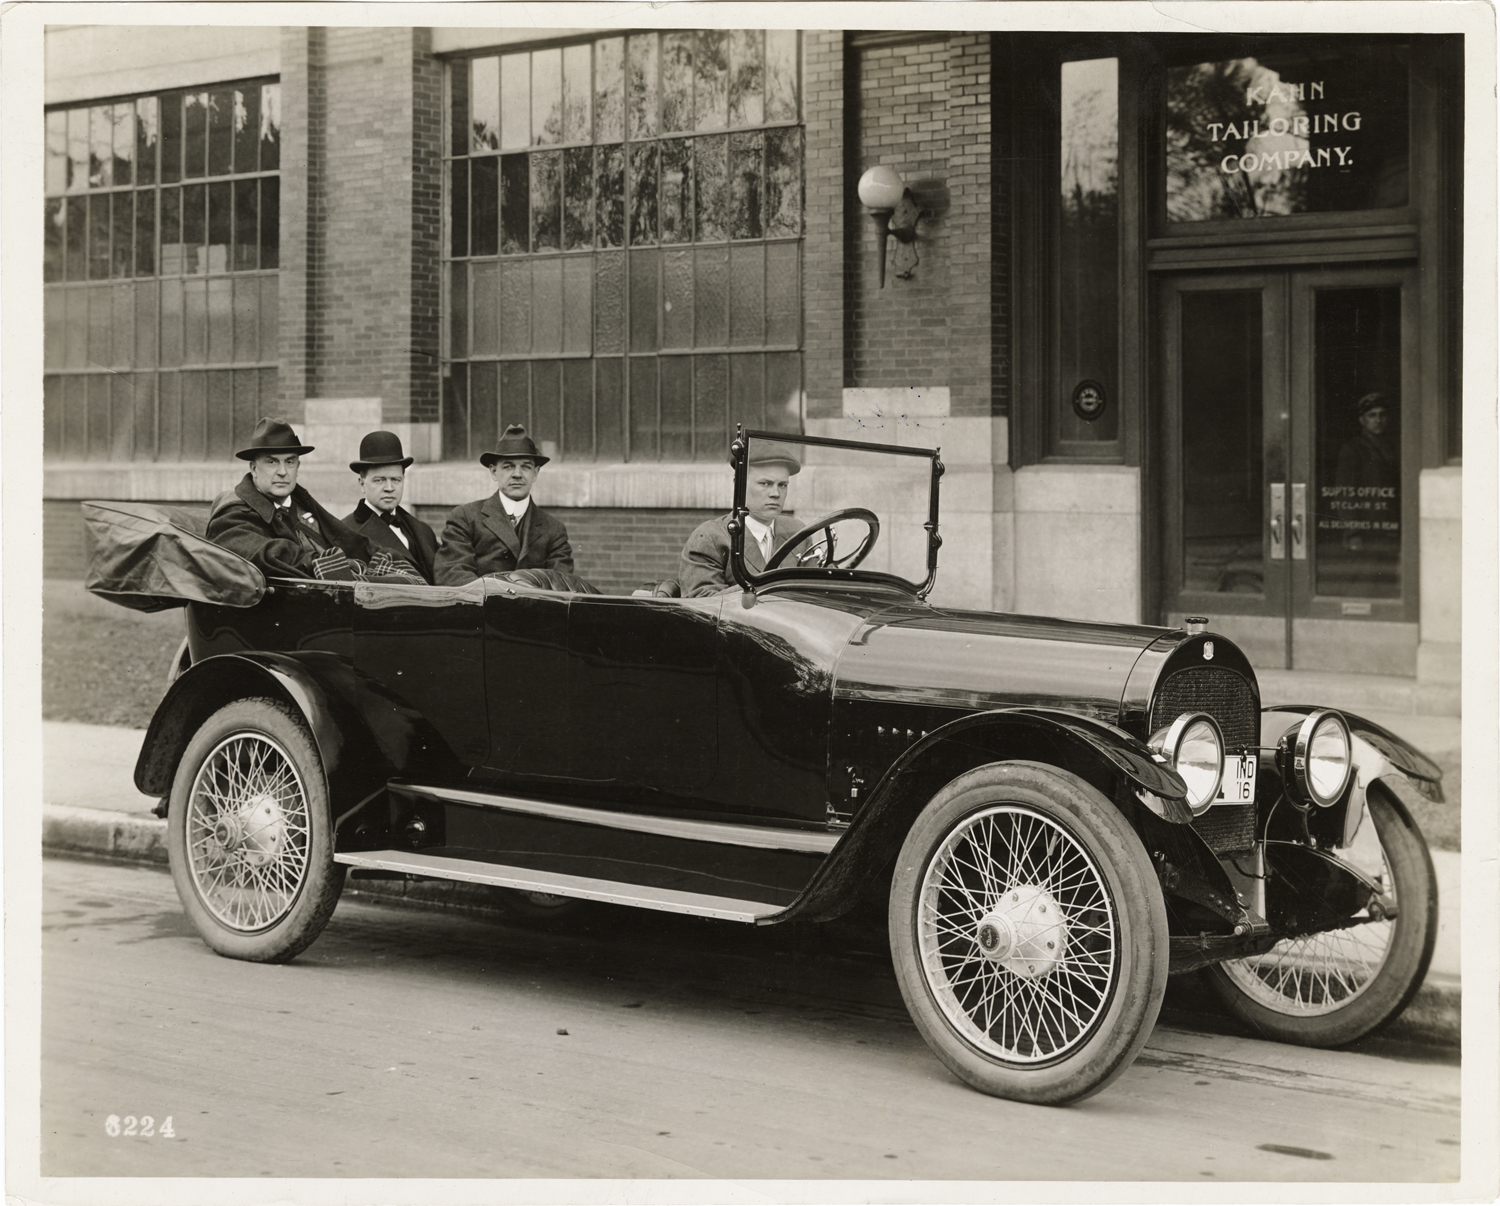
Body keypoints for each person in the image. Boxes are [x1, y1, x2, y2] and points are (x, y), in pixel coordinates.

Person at [207, 417, 422, 583]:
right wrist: (317, 562)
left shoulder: (302, 504)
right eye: (272, 462)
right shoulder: (234, 513)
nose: (283, 472)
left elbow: (351, 542)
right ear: (254, 468)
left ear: (298, 467)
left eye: (290, 462)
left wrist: (385, 558)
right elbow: (262, 553)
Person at [434, 425, 573, 586]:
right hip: (481, 608)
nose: (517, 474)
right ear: (494, 472)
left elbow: (561, 585)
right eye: (508, 466)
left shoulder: (554, 530)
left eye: (526, 467)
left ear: (535, 473)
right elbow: (452, 574)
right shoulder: (466, 518)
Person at [679, 442, 805, 597]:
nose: (775, 493)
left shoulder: (798, 533)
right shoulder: (710, 538)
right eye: (765, 484)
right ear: (739, 485)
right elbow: (703, 606)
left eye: (782, 485)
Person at [341, 431, 440, 584]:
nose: (389, 488)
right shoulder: (346, 533)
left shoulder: (423, 530)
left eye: (396, 480)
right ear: (362, 483)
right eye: (379, 480)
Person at [1334, 392, 1400, 555]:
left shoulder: (1394, 446)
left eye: (1382, 415)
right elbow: (1345, 494)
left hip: (1391, 526)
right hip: (1366, 530)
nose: (1378, 420)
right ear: (1362, 420)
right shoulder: (1353, 449)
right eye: (1372, 415)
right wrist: (1353, 532)